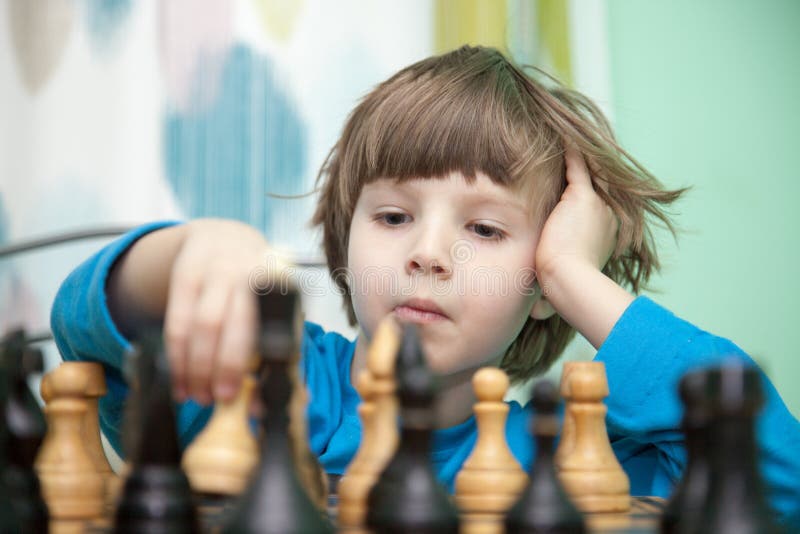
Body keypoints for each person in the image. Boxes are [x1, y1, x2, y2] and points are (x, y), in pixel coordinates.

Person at [50, 46, 799, 526]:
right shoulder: (264, 388)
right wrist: (193, 252)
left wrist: (574, 275)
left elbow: (781, 484)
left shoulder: (579, 458)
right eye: (394, 215)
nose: (428, 253)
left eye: (485, 230)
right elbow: (86, 331)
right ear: (346, 244)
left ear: (541, 282)